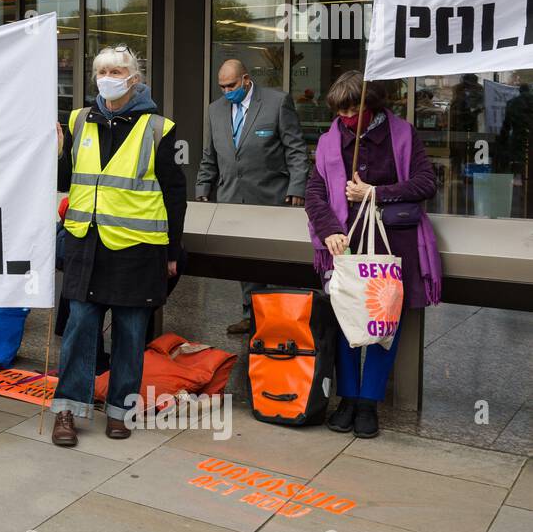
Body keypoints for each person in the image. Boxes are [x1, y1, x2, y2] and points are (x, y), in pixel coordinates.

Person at [52, 46, 186, 445]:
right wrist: (58, 152)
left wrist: (173, 252)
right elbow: (66, 175)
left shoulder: (158, 128)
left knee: (130, 334)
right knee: (79, 328)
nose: (108, 76)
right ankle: (67, 411)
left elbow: (174, 194)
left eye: (116, 70)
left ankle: (119, 411)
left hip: (137, 248)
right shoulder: (78, 120)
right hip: (86, 245)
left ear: (134, 78)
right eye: (102, 70)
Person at [305, 71, 442, 439]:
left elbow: (426, 182)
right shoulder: (328, 141)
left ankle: (368, 404)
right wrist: (330, 229)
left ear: (373, 105)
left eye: (354, 108)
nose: (347, 117)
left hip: (393, 247)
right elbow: (315, 194)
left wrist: (374, 192)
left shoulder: (403, 134)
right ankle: (347, 399)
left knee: (384, 329)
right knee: (347, 323)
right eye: (342, 111)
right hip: (345, 247)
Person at [195, 59, 308, 335]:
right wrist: (202, 189)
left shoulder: (276, 102)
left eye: (231, 85)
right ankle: (251, 315)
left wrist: (297, 187)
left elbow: (295, 149)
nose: (226, 91)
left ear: (246, 79)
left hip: (273, 196)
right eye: (221, 87)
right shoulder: (215, 110)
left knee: (275, 262)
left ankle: (281, 320)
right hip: (232, 197)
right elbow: (210, 155)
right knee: (243, 263)